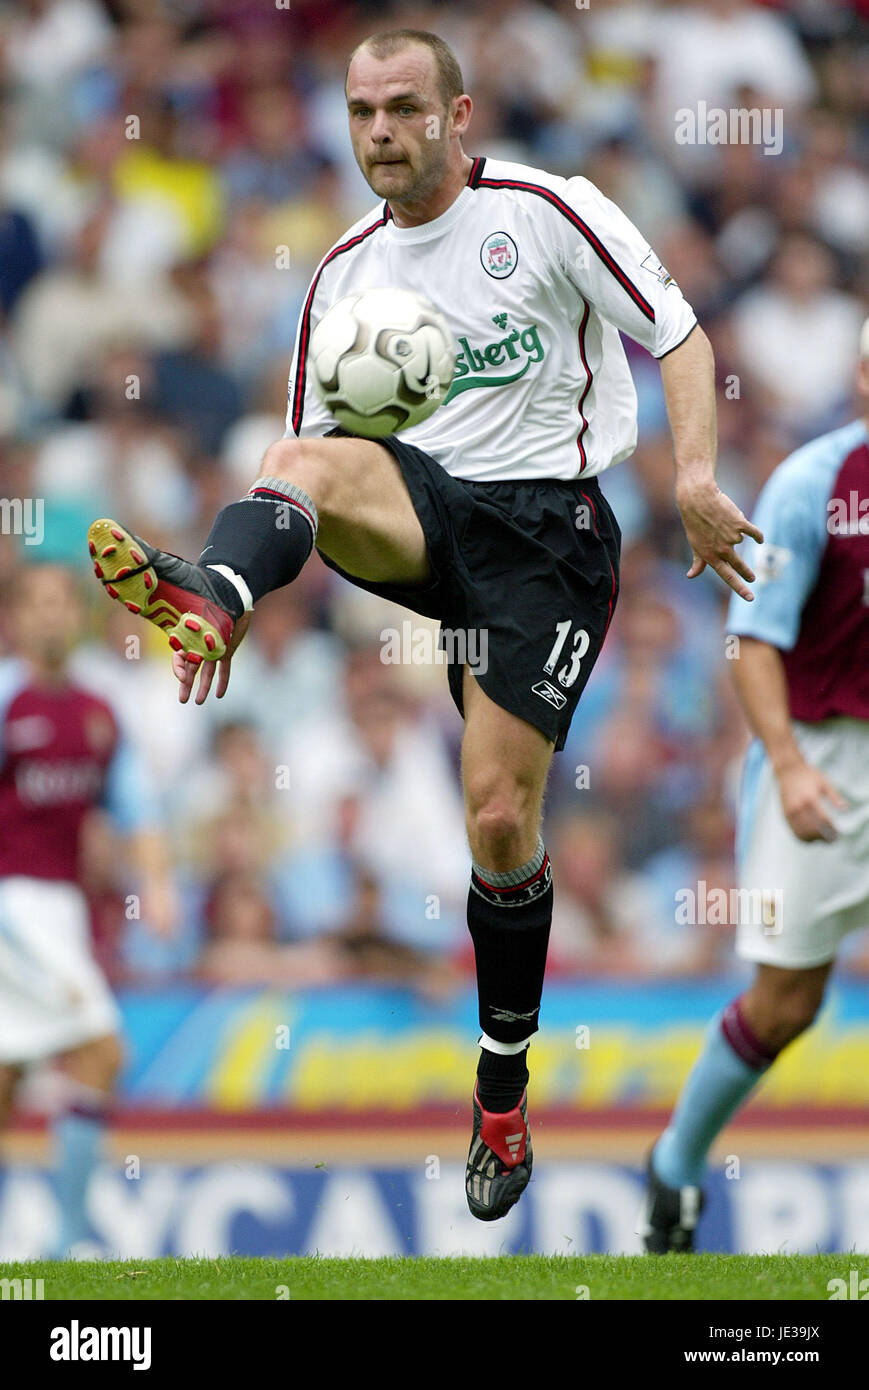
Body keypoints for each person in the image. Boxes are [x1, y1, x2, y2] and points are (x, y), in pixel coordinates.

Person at [87, 28, 759, 1223]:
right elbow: (295, 469)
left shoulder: (550, 210)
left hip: (549, 545)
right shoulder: (341, 275)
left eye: (403, 108)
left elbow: (682, 333)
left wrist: (696, 480)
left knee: (498, 820)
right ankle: (217, 597)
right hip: (418, 511)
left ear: (456, 116)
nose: (379, 133)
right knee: (298, 456)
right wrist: (255, 565)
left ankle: (501, 1087)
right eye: (359, 112)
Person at [641, 318, 869, 1252]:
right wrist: (784, 766)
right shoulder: (815, 483)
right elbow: (755, 641)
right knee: (787, 1003)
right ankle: (675, 1167)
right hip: (820, 753)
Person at [0, 564, 173, 1256]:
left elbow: (138, 810)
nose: (51, 616)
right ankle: (66, 1244)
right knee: (102, 1051)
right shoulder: (6, 701)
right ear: (15, 619)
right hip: (12, 907)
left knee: (10, 1075)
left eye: (62, 603)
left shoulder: (99, 715)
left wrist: (156, 885)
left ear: (77, 619)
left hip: (63, 912)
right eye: (38, 604)